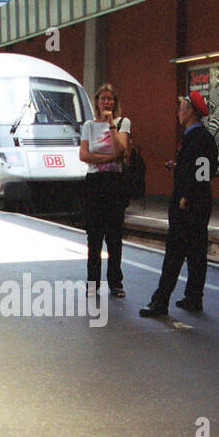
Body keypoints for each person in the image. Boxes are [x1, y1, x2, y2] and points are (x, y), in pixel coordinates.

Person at [139, 91, 218, 317]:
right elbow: (201, 169)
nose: (178, 113)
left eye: (181, 109)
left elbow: (203, 173)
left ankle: (160, 301)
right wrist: (179, 168)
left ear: (191, 112)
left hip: (189, 206)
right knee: (196, 253)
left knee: (174, 253)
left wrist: (187, 196)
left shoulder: (197, 138)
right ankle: (194, 297)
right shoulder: (199, 137)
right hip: (199, 203)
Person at [79, 83, 132, 297]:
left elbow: (121, 148)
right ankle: (92, 283)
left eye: (110, 99)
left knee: (114, 236)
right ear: (97, 102)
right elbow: (84, 155)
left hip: (115, 184)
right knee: (94, 237)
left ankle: (116, 283)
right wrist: (110, 158)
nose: (107, 102)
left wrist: (111, 124)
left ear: (115, 102)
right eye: (103, 98)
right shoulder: (88, 126)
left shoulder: (122, 122)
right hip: (94, 183)